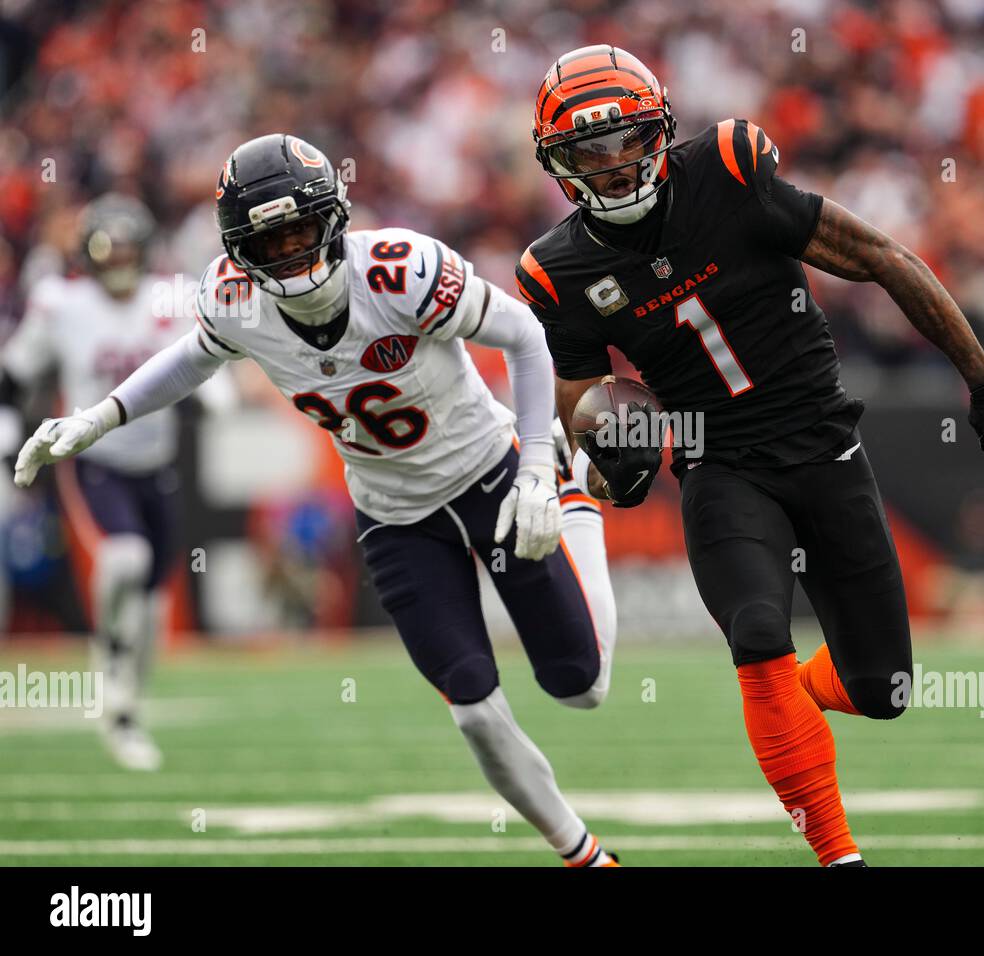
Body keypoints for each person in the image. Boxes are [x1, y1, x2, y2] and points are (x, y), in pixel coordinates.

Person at [15, 135, 621, 866]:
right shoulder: (234, 301)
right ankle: (583, 854)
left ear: (334, 218)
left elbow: (523, 333)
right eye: (268, 241)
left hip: (489, 470)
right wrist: (98, 416)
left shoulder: (401, 270)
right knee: (472, 707)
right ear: (240, 250)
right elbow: (189, 361)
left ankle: (576, 501)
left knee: (581, 688)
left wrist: (535, 468)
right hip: (395, 514)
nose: (291, 252)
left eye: (301, 229)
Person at [516, 46, 984, 865]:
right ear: (558, 164)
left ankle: (792, 703)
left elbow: (879, 258)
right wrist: (614, 433)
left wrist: (982, 375)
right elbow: (582, 394)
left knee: (883, 689)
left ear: (663, 132)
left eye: (628, 142)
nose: (614, 168)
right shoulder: (559, 269)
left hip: (825, 447)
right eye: (590, 152)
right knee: (758, 631)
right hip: (719, 465)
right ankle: (838, 855)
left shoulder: (728, 171)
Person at [2, 194, 211, 770]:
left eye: (126, 248)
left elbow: (205, 358)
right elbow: (14, 375)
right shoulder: (62, 306)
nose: (117, 261)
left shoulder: (170, 297)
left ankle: (125, 710)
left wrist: (215, 395)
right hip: (96, 462)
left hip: (160, 466)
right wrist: (8, 443)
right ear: (85, 256)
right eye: (105, 249)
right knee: (125, 561)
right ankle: (105, 661)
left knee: (148, 602)